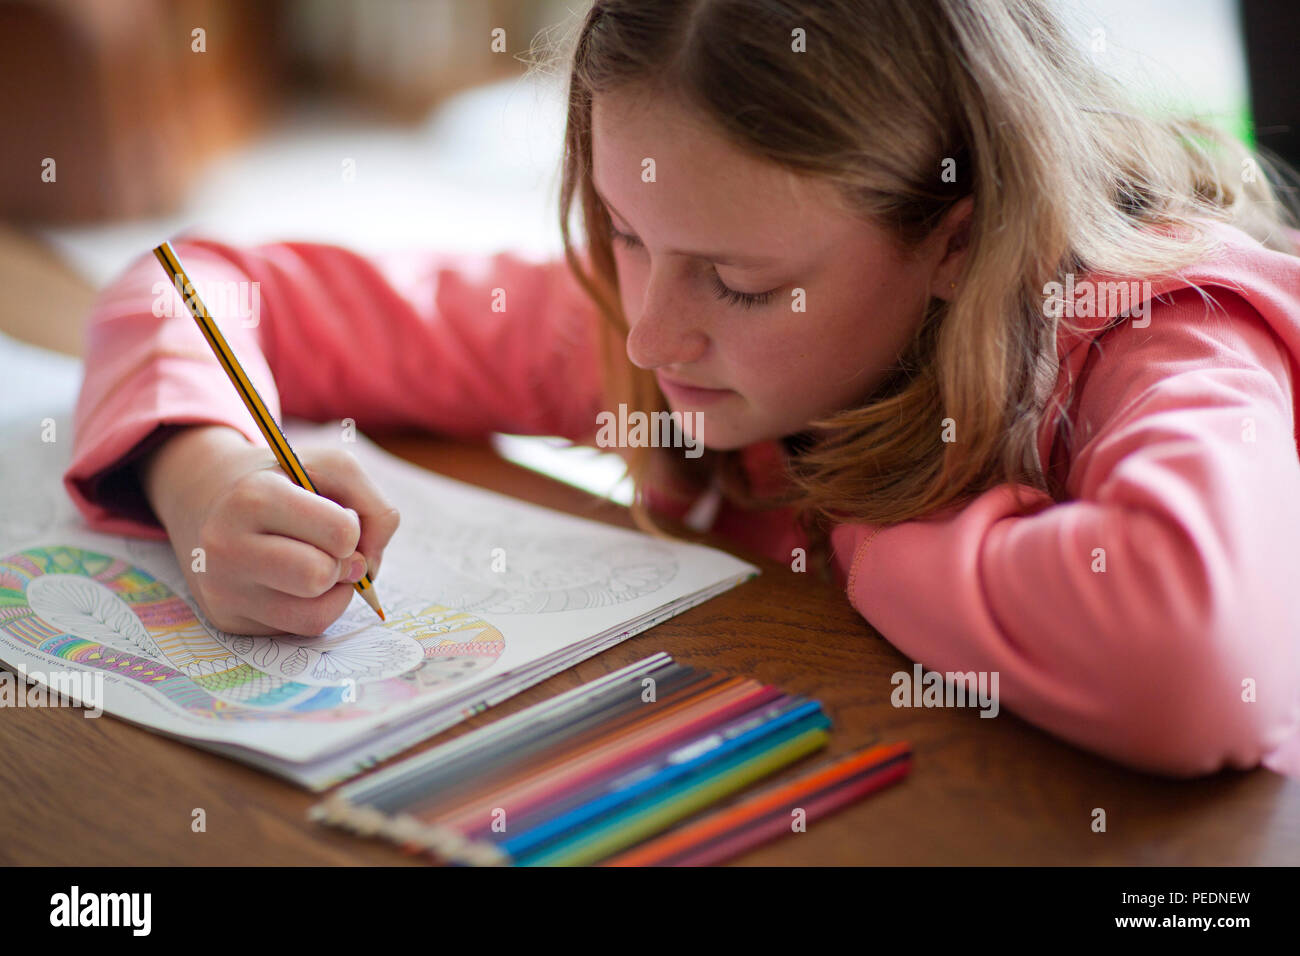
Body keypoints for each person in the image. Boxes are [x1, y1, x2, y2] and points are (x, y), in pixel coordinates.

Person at [64, 0, 1300, 778]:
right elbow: (198, 278)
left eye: (742, 284)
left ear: (956, 242)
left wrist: (852, 512)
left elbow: (1198, 661)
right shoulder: (645, 316)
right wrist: (202, 470)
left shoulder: (1159, 337)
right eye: (620, 229)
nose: (651, 330)